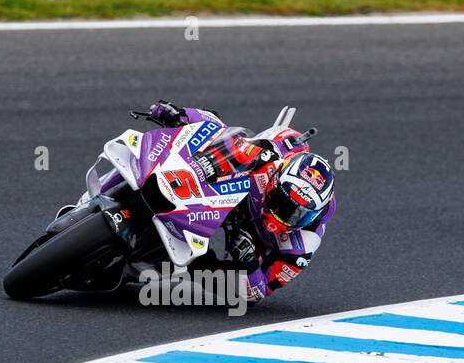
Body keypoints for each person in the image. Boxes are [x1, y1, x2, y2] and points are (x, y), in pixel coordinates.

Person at [144, 100, 336, 301]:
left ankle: (183, 262)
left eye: (298, 215)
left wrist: (249, 261)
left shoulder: (303, 246)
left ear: (316, 214)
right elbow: (222, 132)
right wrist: (182, 115)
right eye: (282, 202)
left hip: (251, 239)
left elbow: (260, 291)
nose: (282, 216)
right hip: (241, 197)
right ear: (276, 181)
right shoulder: (275, 155)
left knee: (238, 294)